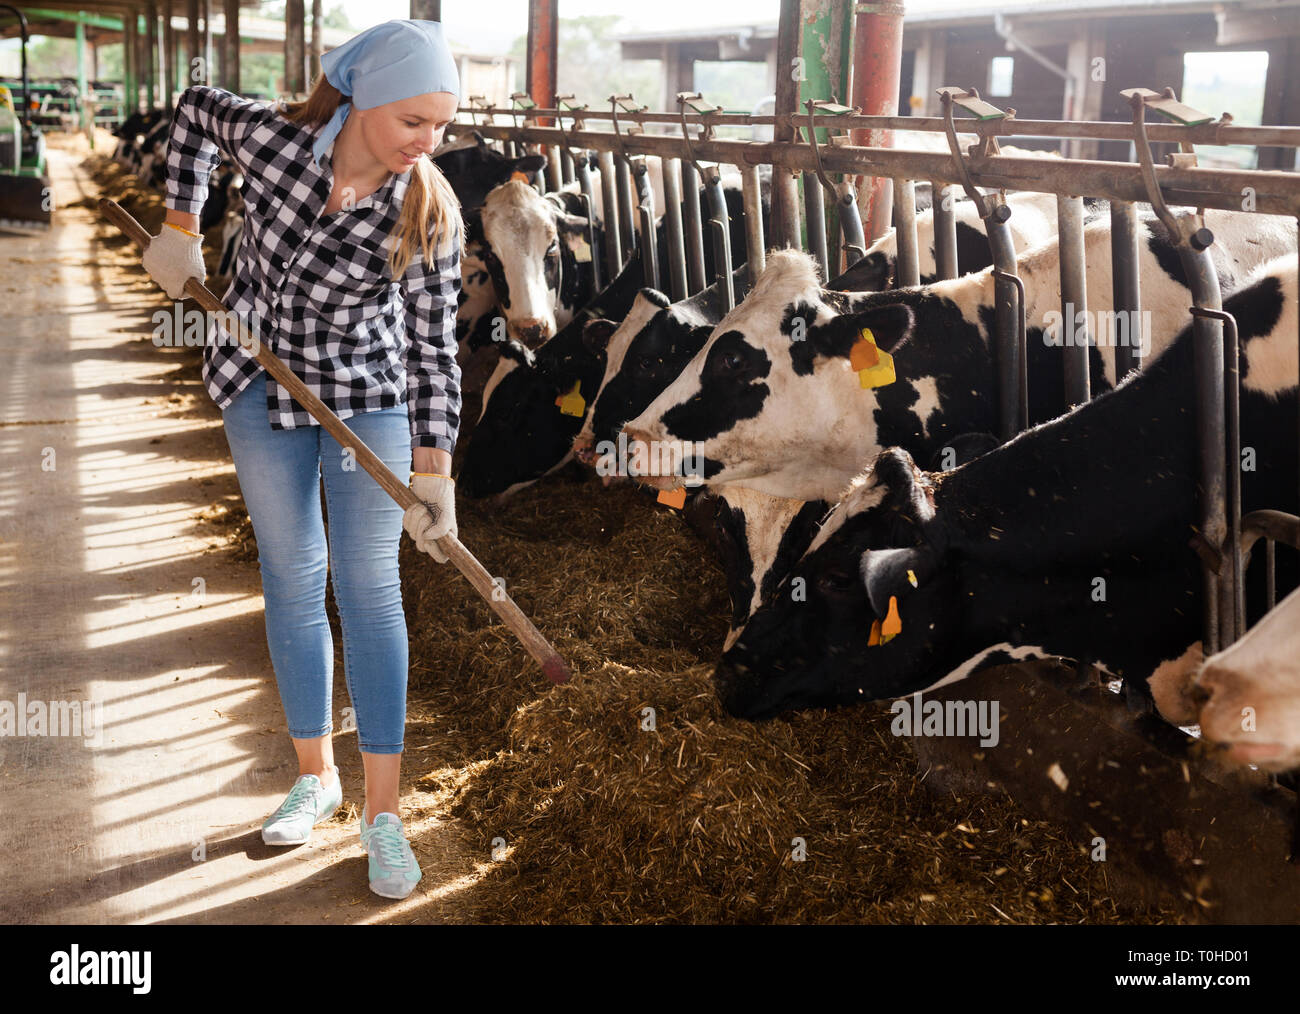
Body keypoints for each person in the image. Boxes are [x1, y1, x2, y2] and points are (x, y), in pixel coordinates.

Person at [142, 18, 465, 900]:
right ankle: (315, 778)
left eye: (442, 126)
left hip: (368, 406)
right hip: (256, 386)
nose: (426, 143)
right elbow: (195, 112)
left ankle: (384, 815)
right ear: (362, 96)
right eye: (412, 121)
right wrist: (183, 225)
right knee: (290, 574)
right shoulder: (276, 143)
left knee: (369, 587)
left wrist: (434, 469)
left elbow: (435, 353)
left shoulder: (427, 209)